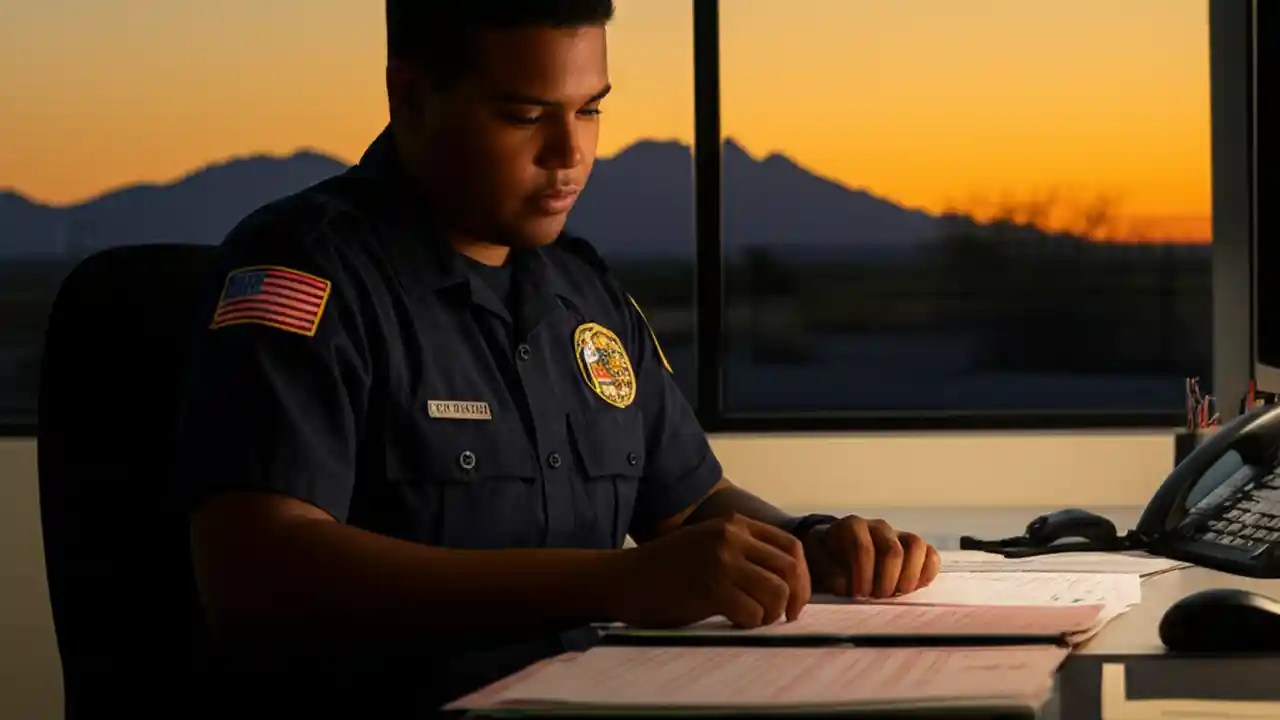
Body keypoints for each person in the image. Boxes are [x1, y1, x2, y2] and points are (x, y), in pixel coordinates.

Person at [174, 1, 942, 714]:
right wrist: (617, 582)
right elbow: (257, 572)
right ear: (408, 95)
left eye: (591, 109)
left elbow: (691, 507)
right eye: (523, 114)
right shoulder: (304, 273)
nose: (570, 154)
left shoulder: (581, 290)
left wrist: (809, 543)